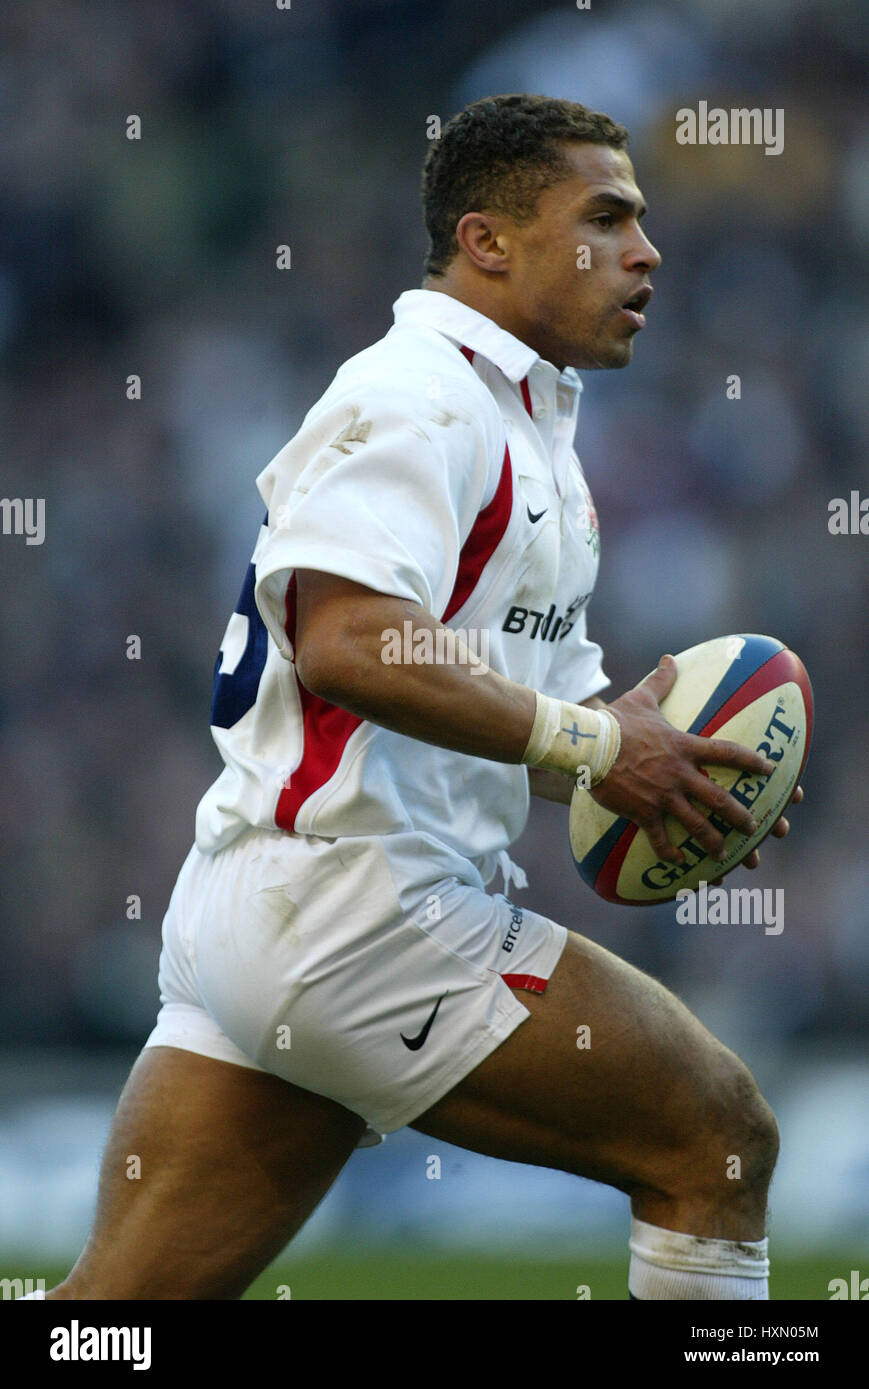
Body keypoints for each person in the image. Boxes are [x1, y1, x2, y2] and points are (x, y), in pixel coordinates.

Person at [40, 93, 800, 1302]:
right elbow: (347, 640)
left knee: (115, 1319)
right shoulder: (418, 394)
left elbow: (525, 724)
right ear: (486, 241)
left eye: (642, 220)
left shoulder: (528, 424)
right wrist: (598, 741)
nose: (645, 251)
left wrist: (664, 765)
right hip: (361, 908)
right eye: (604, 217)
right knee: (713, 1139)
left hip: (277, 903)